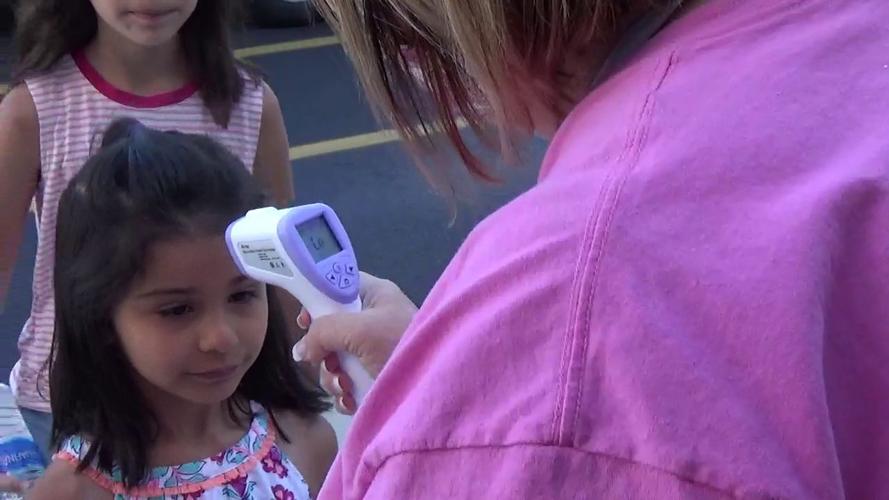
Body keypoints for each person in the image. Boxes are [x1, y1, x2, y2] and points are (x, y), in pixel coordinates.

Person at [294, 0, 889, 497]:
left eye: (411, 42)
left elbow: (574, 411)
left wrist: (489, 398)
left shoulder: (580, 316)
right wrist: (453, 379)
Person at [0, 0, 295, 460]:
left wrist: (300, 394)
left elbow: (282, 270)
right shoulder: (34, 107)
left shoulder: (250, 104)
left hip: (216, 411)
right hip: (71, 408)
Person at [12, 119, 335, 499]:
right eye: (178, 310)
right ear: (101, 317)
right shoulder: (72, 492)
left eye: (242, 295)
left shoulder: (306, 443)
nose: (221, 337)